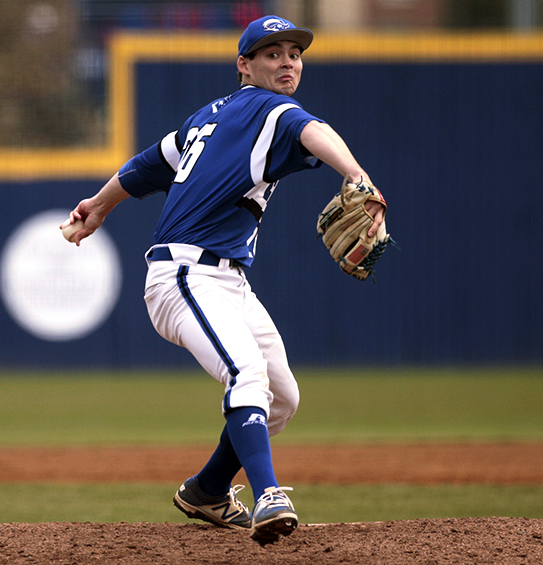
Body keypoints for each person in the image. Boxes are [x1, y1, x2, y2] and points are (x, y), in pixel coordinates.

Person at [60, 15, 386, 545]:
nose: (287, 62)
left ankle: (207, 490)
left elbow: (146, 167)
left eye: (294, 54)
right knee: (247, 374)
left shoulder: (206, 120)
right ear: (244, 65)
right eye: (272, 53)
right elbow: (313, 130)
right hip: (185, 274)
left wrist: (99, 205)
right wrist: (357, 177)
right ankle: (269, 494)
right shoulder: (269, 107)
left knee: (281, 397)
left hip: (226, 280)